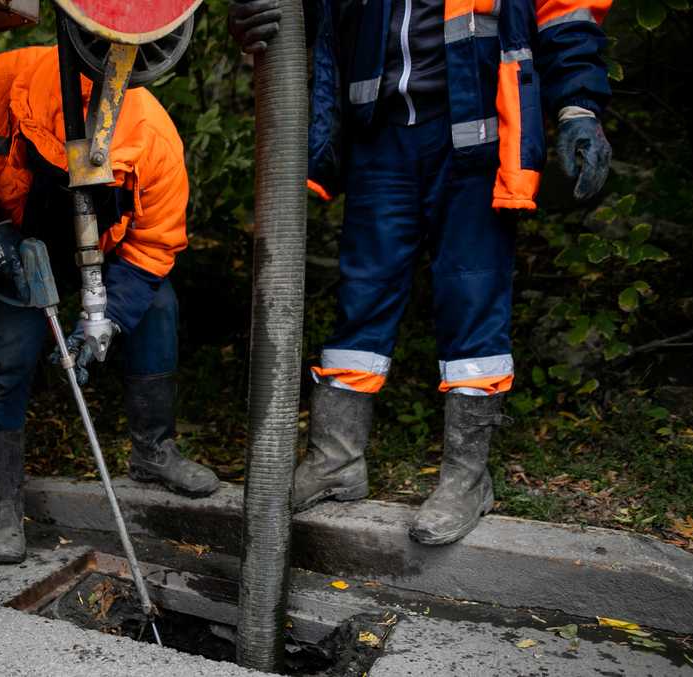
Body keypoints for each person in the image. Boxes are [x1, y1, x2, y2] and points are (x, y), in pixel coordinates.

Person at [229, 0, 613, 544]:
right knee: (362, 295)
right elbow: (311, 19)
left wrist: (578, 107)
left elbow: (565, 15)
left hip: (474, 136)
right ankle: (337, 459)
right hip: (381, 137)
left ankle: (466, 479)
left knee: (471, 298)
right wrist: (253, 18)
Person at [0, 46, 220, 565]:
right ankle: (4, 502)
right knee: (7, 352)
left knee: (158, 308)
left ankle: (153, 451)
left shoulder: (154, 139)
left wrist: (110, 317)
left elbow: (155, 246)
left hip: (108, 251)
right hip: (18, 243)